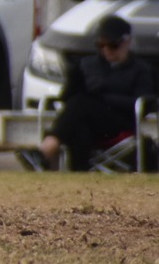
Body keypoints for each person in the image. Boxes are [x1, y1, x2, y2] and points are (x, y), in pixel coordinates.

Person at [40, 15, 154, 171]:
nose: (107, 51)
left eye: (113, 46)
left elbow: (145, 103)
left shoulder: (140, 70)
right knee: (80, 129)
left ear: (127, 42)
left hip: (120, 120)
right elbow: (67, 95)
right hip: (89, 120)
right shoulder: (87, 65)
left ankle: (48, 146)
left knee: (83, 102)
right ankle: (78, 176)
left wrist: (104, 98)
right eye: (101, 45)